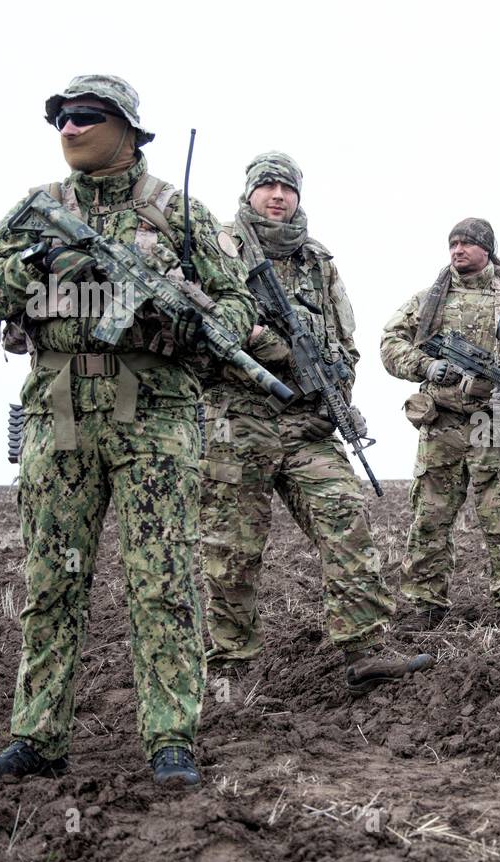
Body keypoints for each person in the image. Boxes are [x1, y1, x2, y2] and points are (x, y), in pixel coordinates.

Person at [0, 75, 256, 789]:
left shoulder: (178, 214)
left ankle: (170, 738)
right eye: (59, 117)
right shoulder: (39, 212)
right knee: (51, 579)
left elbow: (238, 309)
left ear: (125, 127)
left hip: (154, 408)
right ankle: (38, 737)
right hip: (59, 405)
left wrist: (190, 316)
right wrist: (39, 260)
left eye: (85, 117)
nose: (68, 128)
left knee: (162, 579)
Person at [200, 151, 432, 693]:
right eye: (268, 186)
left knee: (346, 519)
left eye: (287, 188)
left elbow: (344, 339)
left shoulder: (318, 261)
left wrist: (336, 389)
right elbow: (204, 321)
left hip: (307, 424)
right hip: (238, 420)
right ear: (250, 192)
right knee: (233, 548)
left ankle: (366, 648)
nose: (277, 196)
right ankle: (232, 667)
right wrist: (265, 344)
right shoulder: (218, 247)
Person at [380, 219, 500, 622]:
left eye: (467, 243)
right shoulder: (430, 300)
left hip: (498, 420)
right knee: (431, 516)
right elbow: (390, 343)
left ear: (486, 248)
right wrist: (428, 364)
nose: (457, 250)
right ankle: (425, 602)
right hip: (444, 422)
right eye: (452, 243)